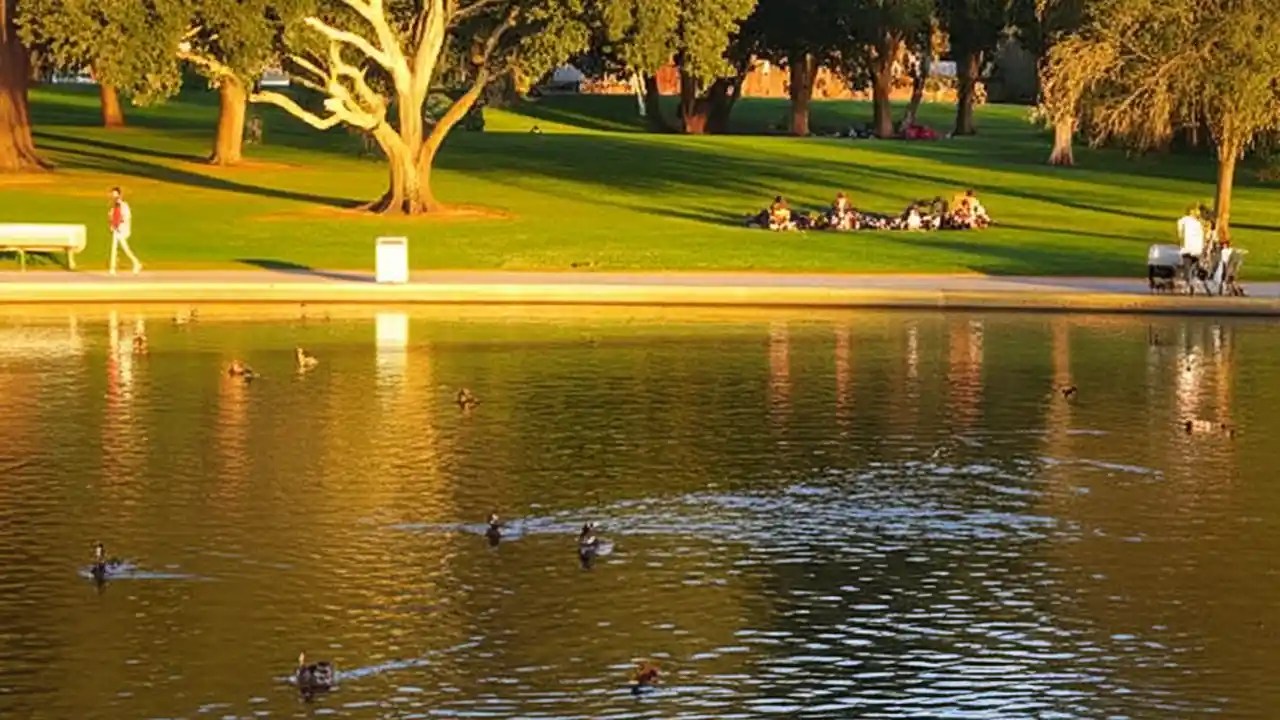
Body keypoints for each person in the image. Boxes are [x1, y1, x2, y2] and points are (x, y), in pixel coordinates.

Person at [108, 186, 141, 275]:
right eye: (112, 194)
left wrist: (120, 225)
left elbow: (126, 218)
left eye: (115, 194)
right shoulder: (114, 206)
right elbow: (112, 217)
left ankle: (136, 262)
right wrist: (112, 224)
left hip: (122, 229)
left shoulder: (124, 205)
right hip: (116, 229)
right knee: (114, 248)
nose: (113, 196)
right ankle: (112, 268)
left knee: (124, 248)